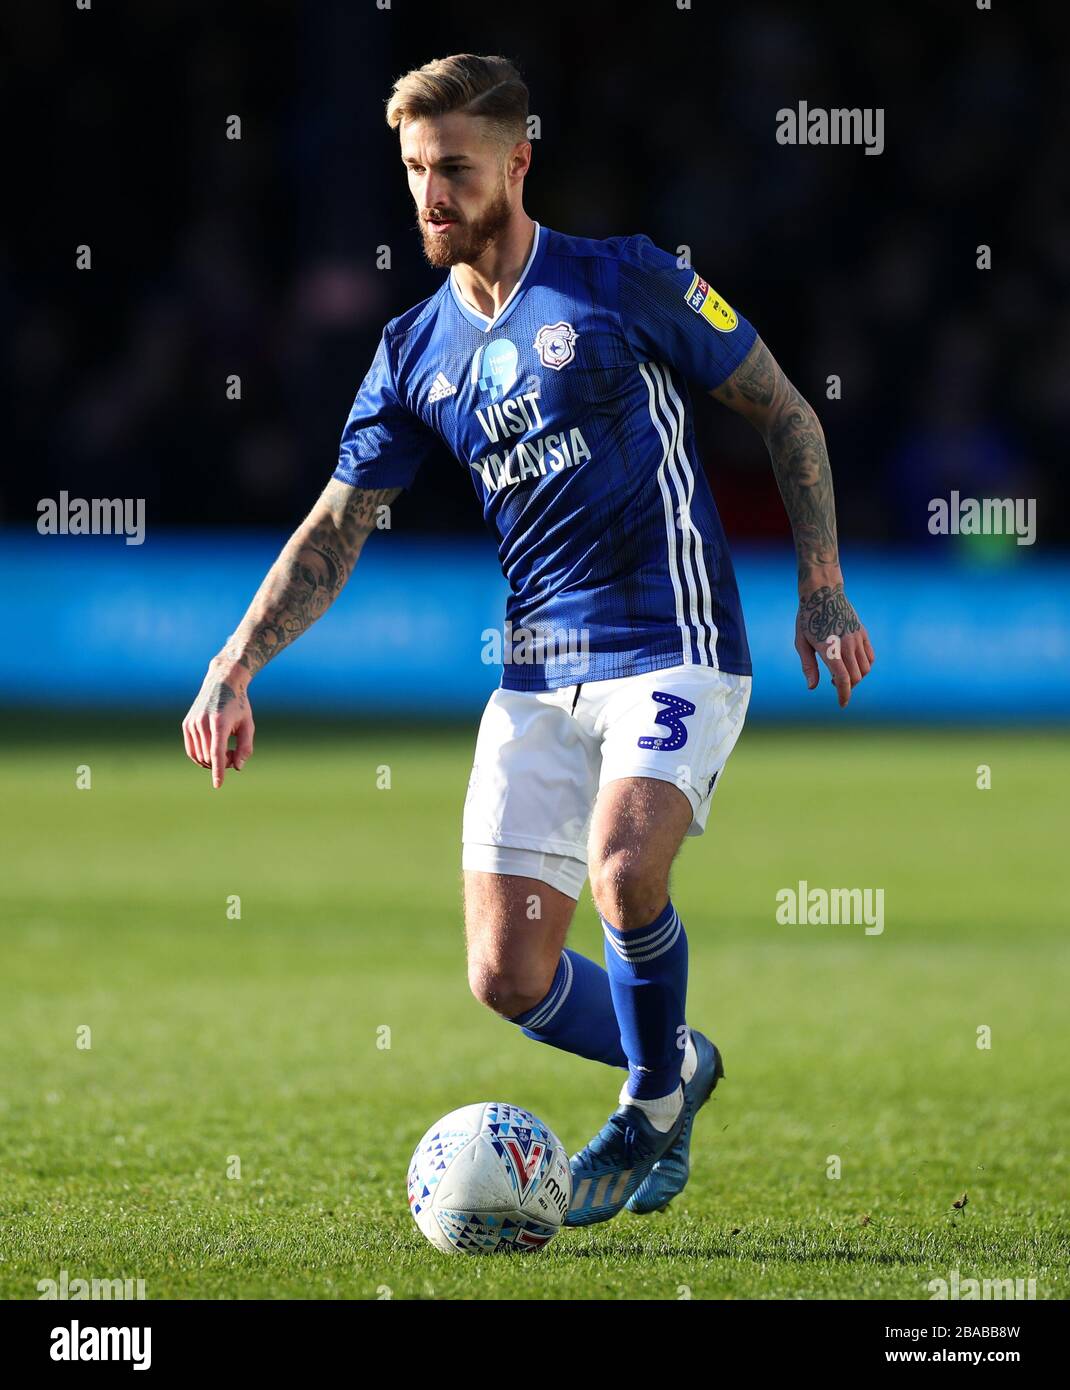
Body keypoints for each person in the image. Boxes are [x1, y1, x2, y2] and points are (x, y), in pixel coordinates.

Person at [181, 53, 875, 1228]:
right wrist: (235, 660)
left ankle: (650, 1098)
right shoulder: (412, 351)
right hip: (535, 669)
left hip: (674, 640)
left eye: (452, 167)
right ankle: (680, 1055)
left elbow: (784, 410)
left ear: (518, 160)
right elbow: (337, 524)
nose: (430, 195)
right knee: (504, 976)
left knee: (622, 863)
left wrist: (821, 583)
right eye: (413, 171)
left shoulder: (628, 280)